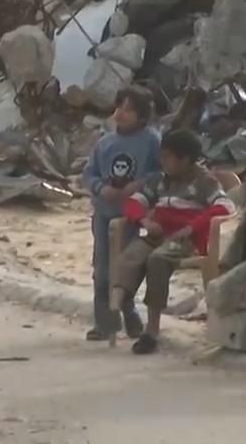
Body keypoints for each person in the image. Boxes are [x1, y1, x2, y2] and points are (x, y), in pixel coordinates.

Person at [110, 128, 235, 355]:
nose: (163, 161)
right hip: (156, 234)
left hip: (184, 241)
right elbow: (132, 203)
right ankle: (115, 304)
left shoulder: (203, 182)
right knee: (132, 255)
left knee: (157, 260)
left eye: (167, 157)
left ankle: (152, 330)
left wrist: (192, 227)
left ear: (185, 159)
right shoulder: (160, 180)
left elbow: (225, 206)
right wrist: (144, 222)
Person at [80, 86, 160, 342]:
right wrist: (101, 188)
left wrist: (138, 185)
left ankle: (130, 314)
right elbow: (88, 174)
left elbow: (161, 172)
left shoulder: (151, 141)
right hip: (104, 213)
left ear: (142, 115)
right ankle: (105, 323)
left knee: (125, 267)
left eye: (129, 110)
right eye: (119, 107)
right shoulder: (105, 143)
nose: (121, 114)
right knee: (102, 268)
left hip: (131, 215)